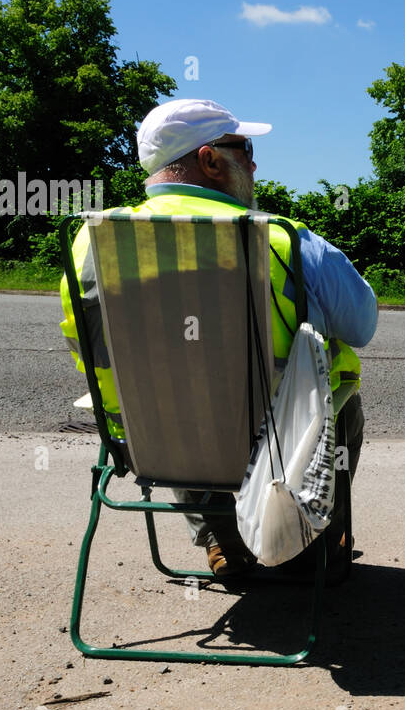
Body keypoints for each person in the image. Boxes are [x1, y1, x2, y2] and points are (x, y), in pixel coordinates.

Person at [60, 98, 377, 579]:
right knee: (342, 394)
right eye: (244, 148)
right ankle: (313, 539)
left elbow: (85, 347)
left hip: (149, 440)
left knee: (175, 400)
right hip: (279, 443)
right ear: (209, 160)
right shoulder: (284, 241)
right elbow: (362, 326)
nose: (253, 162)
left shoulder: (87, 244)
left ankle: (223, 541)